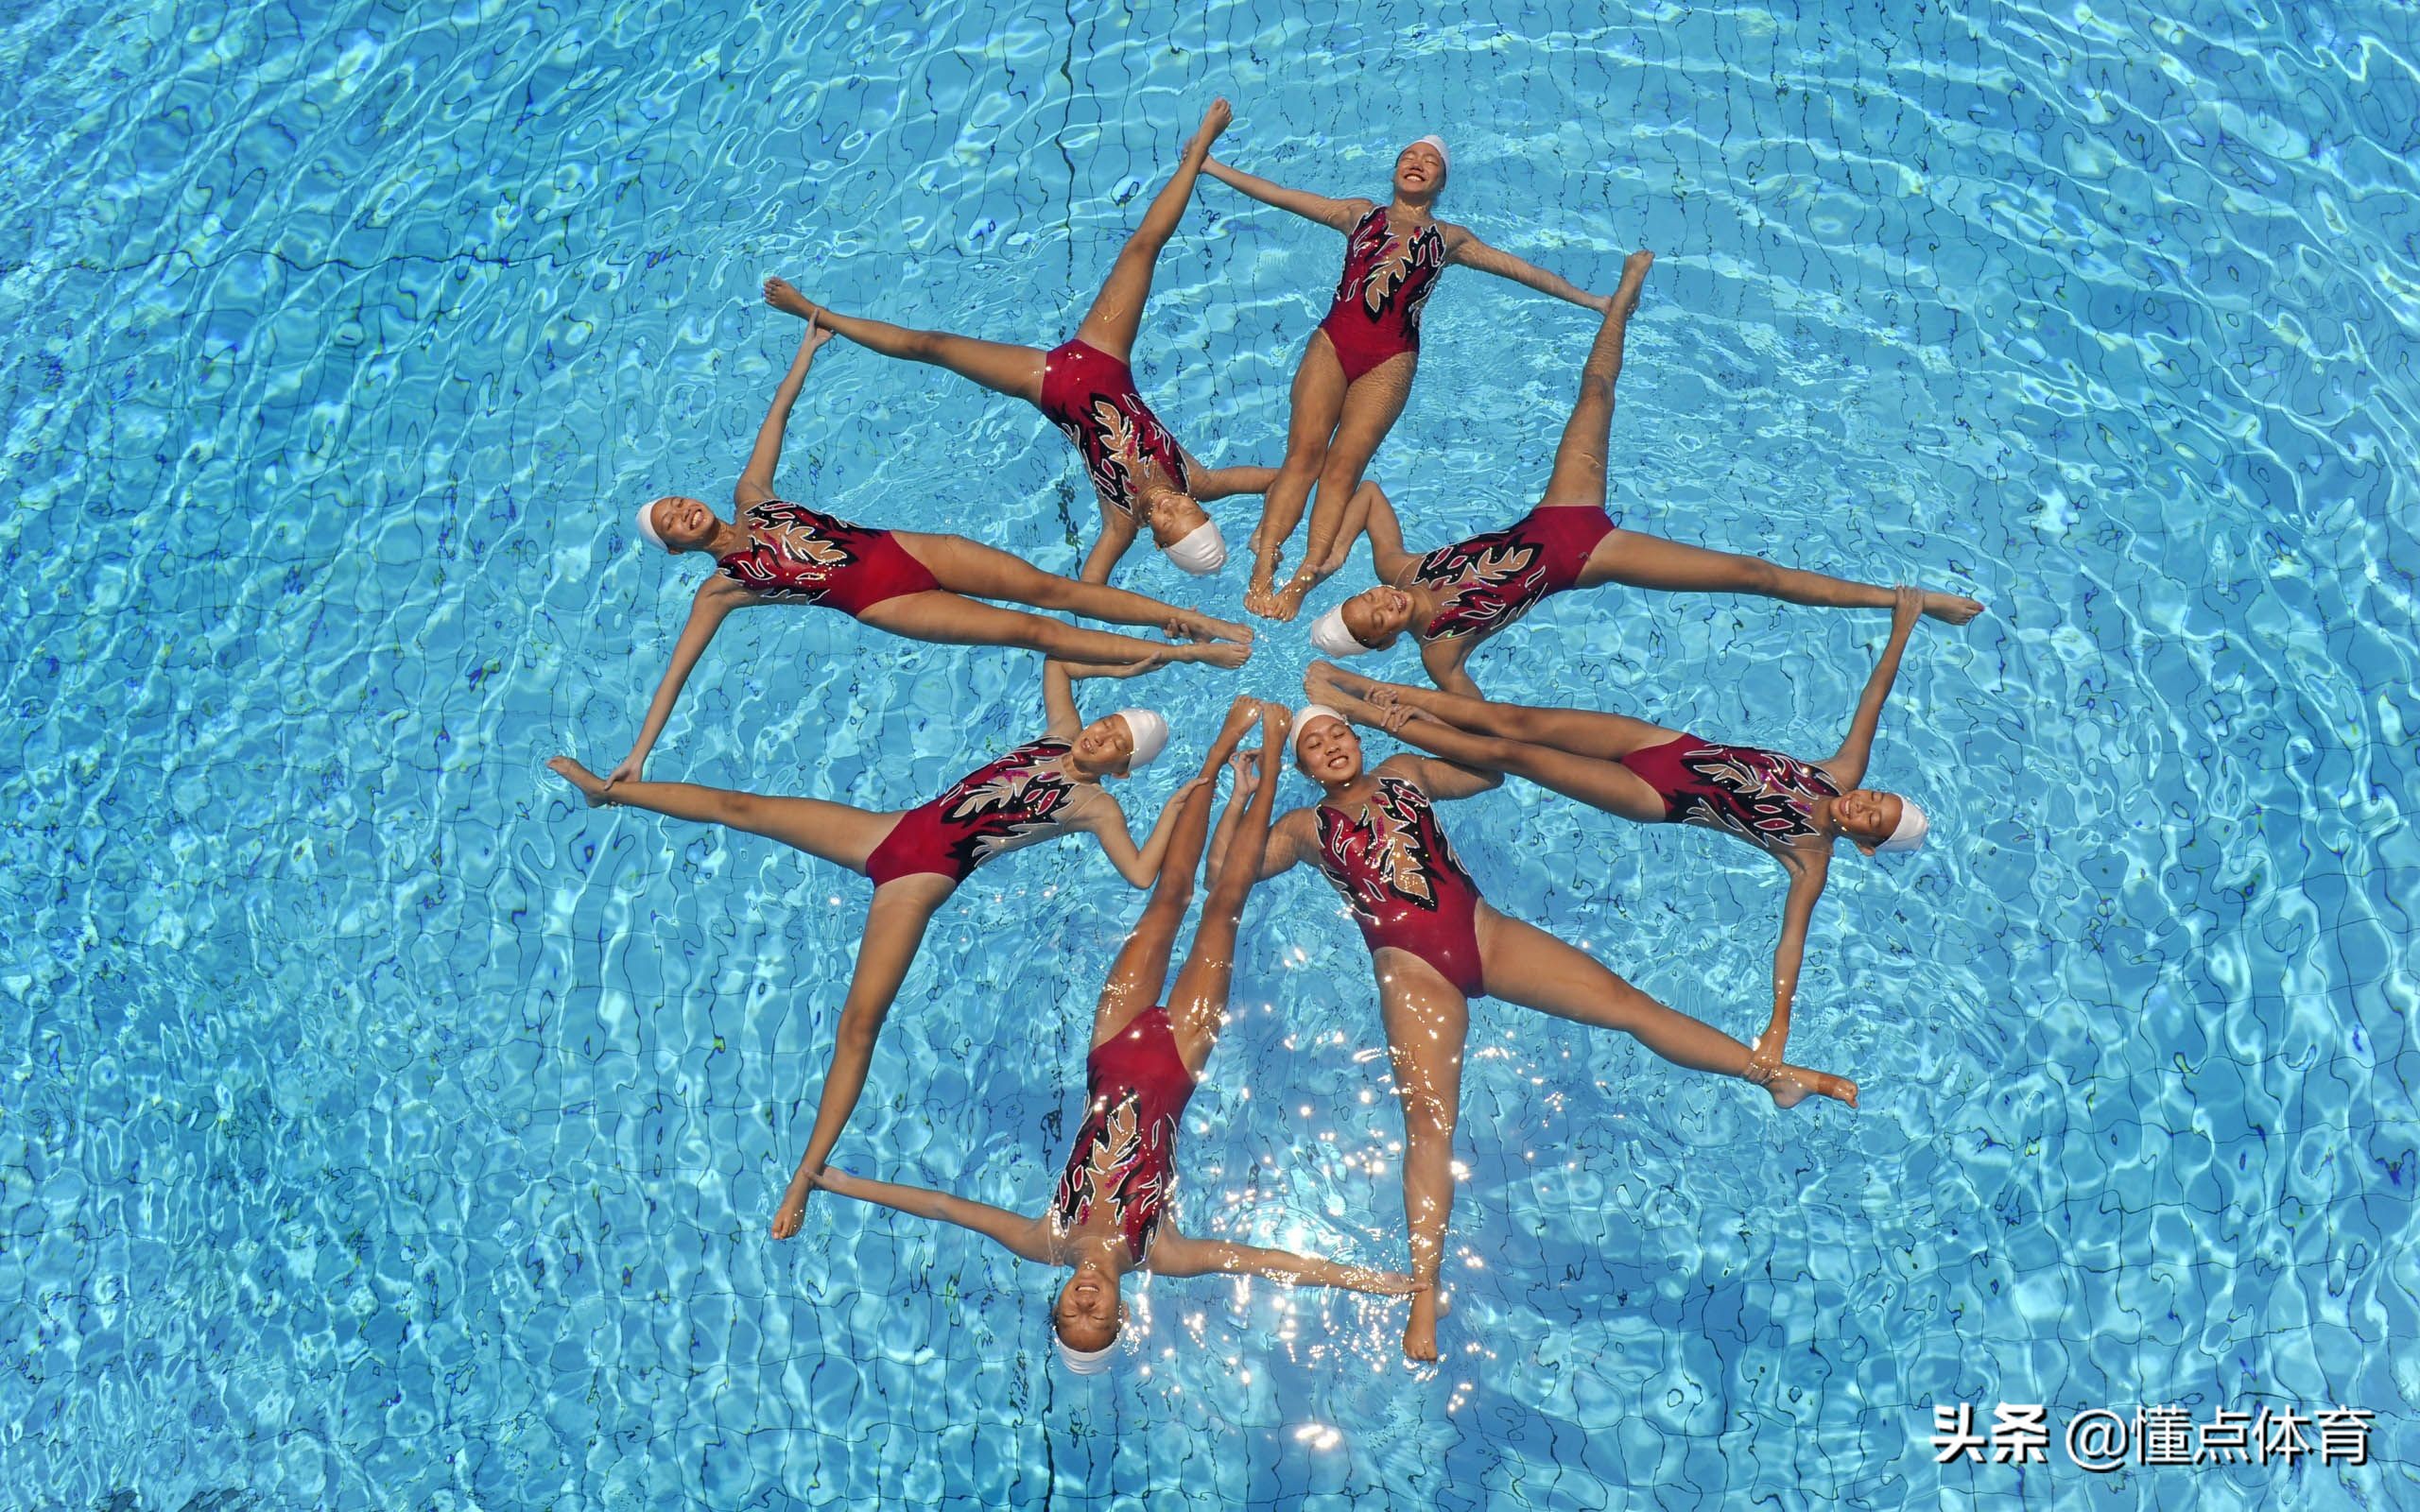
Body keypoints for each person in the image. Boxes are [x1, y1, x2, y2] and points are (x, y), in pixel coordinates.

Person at [810, 699, 1419, 1374]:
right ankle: (1270, 765)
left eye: (1071, 1313)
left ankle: (1217, 761)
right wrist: (1371, 1283)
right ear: (1121, 1313)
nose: (1086, 1303)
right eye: (1098, 1317)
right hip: (1179, 1060)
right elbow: (1263, 1263)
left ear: (1060, 1301)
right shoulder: (1161, 1251)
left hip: (1112, 1044)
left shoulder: (1045, 1238)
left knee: (1167, 899)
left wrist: (834, 1181)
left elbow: (941, 1205)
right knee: (1224, 907)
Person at [1254, 690, 1857, 1361]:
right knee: (1428, 1123)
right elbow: (1231, 871)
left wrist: (1425, 732)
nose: (1335, 744)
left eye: (1340, 732)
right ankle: (1426, 1291)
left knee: (1628, 1005)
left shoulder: (1403, 772)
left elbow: (1488, 774)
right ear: (1304, 767)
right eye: (1317, 744)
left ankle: (1772, 1076)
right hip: (1410, 971)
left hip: (1484, 933)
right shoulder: (1303, 829)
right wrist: (1260, 780)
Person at [548, 654, 1213, 1234]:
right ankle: (615, 794)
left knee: (858, 1025)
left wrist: (1179, 805)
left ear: (1124, 769)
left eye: (1117, 743)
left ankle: (805, 1174)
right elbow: (1058, 661)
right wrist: (1119, 668)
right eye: (1109, 722)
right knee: (743, 806)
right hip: (884, 831)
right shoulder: (1058, 734)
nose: (1101, 734)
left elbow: (1138, 872)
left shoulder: (1099, 805)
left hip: (919, 881)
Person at [1305, 580, 1933, 1075]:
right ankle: (1361, 684)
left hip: (1656, 793)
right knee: (1511, 720)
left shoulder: (1808, 854)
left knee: (1514, 756)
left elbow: (1790, 944)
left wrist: (1778, 1024)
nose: (1863, 805)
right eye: (1875, 797)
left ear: (1868, 844)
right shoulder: (1839, 772)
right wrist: (1901, 630)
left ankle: (1362, 709)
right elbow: (1872, 701)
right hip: (1665, 744)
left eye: (1871, 819)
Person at [1305, 251, 1983, 696]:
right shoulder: (1440, 653)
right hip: (1593, 556)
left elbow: (1366, 494)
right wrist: (1383, 705)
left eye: (1365, 600)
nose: (1381, 605)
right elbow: (1481, 726)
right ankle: (1903, 599)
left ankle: (1620, 299)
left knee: (1596, 393)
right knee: (1753, 577)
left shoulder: (1401, 568)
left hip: (1558, 512)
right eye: (1374, 622)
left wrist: (1328, 559)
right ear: (1385, 640)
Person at [617, 317, 1250, 787]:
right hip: (883, 601)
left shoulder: (750, 496)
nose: (682, 510)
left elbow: (776, 419)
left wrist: (805, 352)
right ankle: (1188, 649)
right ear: (676, 548)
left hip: (910, 549)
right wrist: (640, 754)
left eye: (676, 501)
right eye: (671, 522)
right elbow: (678, 672)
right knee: (1034, 630)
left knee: (1055, 592)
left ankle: (1203, 623)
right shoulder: (722, 587)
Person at [761, 99, 1275, 585]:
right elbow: (1290, 477)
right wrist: (1267, 542)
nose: (1168, 507)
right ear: (1201, 509)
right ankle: (1200, 147)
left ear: (1158, 544)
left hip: (1047, 384)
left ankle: (815, 313)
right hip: (1106, 358)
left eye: (1166, 524)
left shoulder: (1121, 525)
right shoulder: (1199, 481)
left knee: (932, 345)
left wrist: (1157, 628)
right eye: (1185, 513)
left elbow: (1091, 589)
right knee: (1143, 247)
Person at [1199, 133, 1612, 620]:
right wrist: (1212, 167)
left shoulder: (1448, 239)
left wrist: (1592, 301)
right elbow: (1281, 195)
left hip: (1390, 360)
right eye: (1409, 156)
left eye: (1431, 161)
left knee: (1342, 469)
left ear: (1440, 181)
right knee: (1303, 454)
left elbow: (1520, 269)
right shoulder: (1358, 214)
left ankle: (1303, 580)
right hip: (1332, 344)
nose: (1418, 163)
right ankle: (1265, 566)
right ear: (1395, 169)